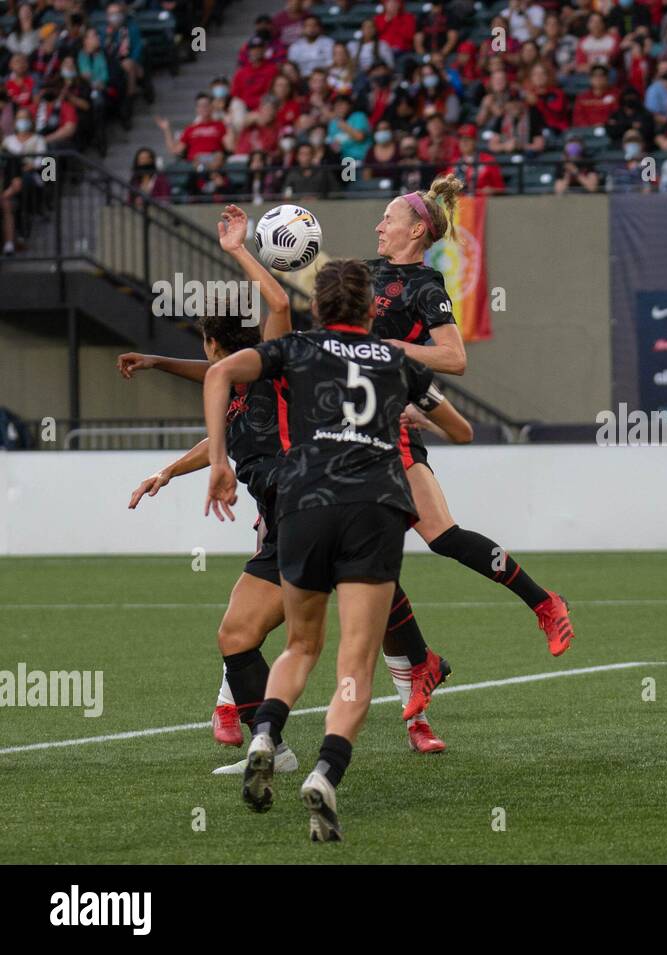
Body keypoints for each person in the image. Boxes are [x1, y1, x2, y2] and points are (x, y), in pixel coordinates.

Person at [118, 207, 463, 757]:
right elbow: (218, 419)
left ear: (215, 347)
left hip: (304, 507)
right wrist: (170, 465)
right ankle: (280, 741)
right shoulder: (236, 393)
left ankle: (363, 712)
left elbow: (276, 307)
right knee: (262, 630)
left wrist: (237, 250)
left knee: (319, 634)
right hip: (293, 513)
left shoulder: (278, 367)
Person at [201, 258, 448, 840]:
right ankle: (326, 773)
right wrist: (409, 408)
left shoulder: (297, 352)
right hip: (374, 509)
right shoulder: (395, 360)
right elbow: (458, 427)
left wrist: (216, 463)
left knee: (300, 645)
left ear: (317, 308)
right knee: (354, 661)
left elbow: (216, 373)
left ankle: (264, 733)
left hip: (303, 507)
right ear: (371, 310)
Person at [369, 176, 576, 653]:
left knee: (431, 539)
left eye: (388, 217)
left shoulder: (425, 287)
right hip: (359, 425)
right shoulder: (363, 272)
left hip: (387, 432)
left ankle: (542, 603)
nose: (378, 225)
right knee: (383, 551)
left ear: (416, 230)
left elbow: (454, 358)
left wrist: (393, 348)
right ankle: (424, 663)